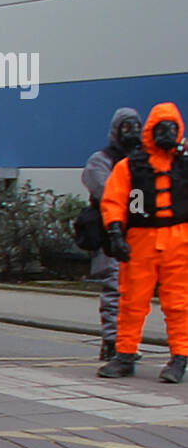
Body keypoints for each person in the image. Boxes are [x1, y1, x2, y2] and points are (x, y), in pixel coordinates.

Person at [98, 101, 188, 383]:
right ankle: (125, 354)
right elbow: (114, 200)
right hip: (141, 239)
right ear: (151, 130)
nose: (166, 133)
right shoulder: (130, 166)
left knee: (179, 303)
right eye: (161, 128)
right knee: (132, 301)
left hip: (179, 240)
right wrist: (115, 232)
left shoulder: (184, 165)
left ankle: (179, 357)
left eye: (172, 128)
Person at [81, 108, 142, 361]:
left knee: (135, 292)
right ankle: (111, 341)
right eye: (127, 127)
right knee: (114, 287)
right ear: (117, 130)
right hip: (110, 233)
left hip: (137, 232)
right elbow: (108, 191)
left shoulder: (142, 159)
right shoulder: (101, 160)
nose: (133, 133)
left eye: (136, 127)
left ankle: (126, 342)